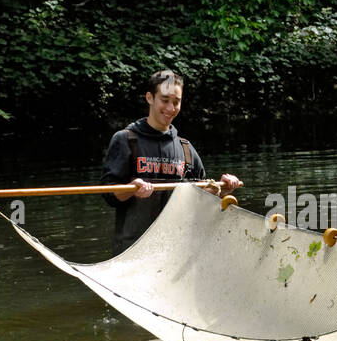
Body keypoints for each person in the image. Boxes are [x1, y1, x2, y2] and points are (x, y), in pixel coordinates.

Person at [101, 70, 241, 255]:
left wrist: (222, 189)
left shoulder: (185, 148)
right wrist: (131, 188)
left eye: (176, 102)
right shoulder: (125, 140)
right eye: (165, 100)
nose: (170, 108)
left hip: (176, 251)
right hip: (132, 252)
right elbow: (109, 195)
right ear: (150, 98)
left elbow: (202, 198)